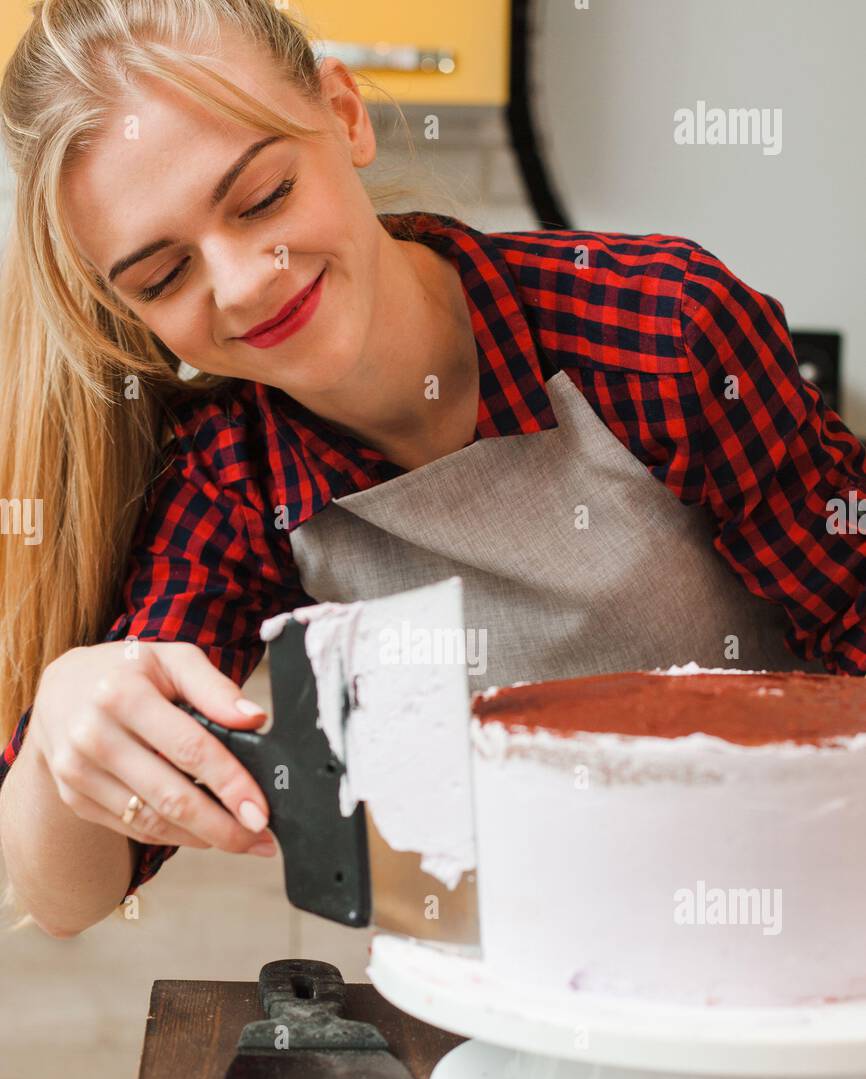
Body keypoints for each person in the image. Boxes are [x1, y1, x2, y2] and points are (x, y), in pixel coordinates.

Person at [1, 0, 864, 939]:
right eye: (165, 277)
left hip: (788, 927)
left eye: (263, 200)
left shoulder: (661, 331)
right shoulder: (232, 479)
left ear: (344, 113)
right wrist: (60, 731)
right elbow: (69, 896)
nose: (246, 281)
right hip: (495, 987)